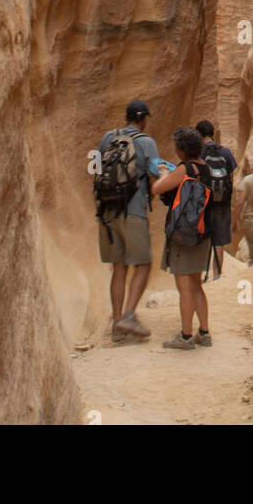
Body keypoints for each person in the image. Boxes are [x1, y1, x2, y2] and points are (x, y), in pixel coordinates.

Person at [97, 99, 160, 341]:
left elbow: (94, 169)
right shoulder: (147, 142)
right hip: (134, 210)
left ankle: (116, 323)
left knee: (118, 267)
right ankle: (129, 315)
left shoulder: (106, 139)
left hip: (107, 212)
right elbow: (155, 176)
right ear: (143, 120)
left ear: (126, 117)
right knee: (143, 264)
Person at [152, 126, 213, 350]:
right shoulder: (205, 168)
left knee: (184, 287)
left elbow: (159, 188)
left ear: (181, 150)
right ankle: (204, 333)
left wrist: (162, 172)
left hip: (183, 235)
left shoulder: (184, 169)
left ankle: (186, 337)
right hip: (202, 232)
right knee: (196, 285)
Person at [195, 119, 237, 278]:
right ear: (212, 134)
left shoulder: (198, 153)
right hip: (222, 203)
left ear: (199, 135)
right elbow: (231, 179)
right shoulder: (225, 152)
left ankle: (199, 276)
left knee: (202, 238)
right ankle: (217, 275)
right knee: (218, 242)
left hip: (204, 203)